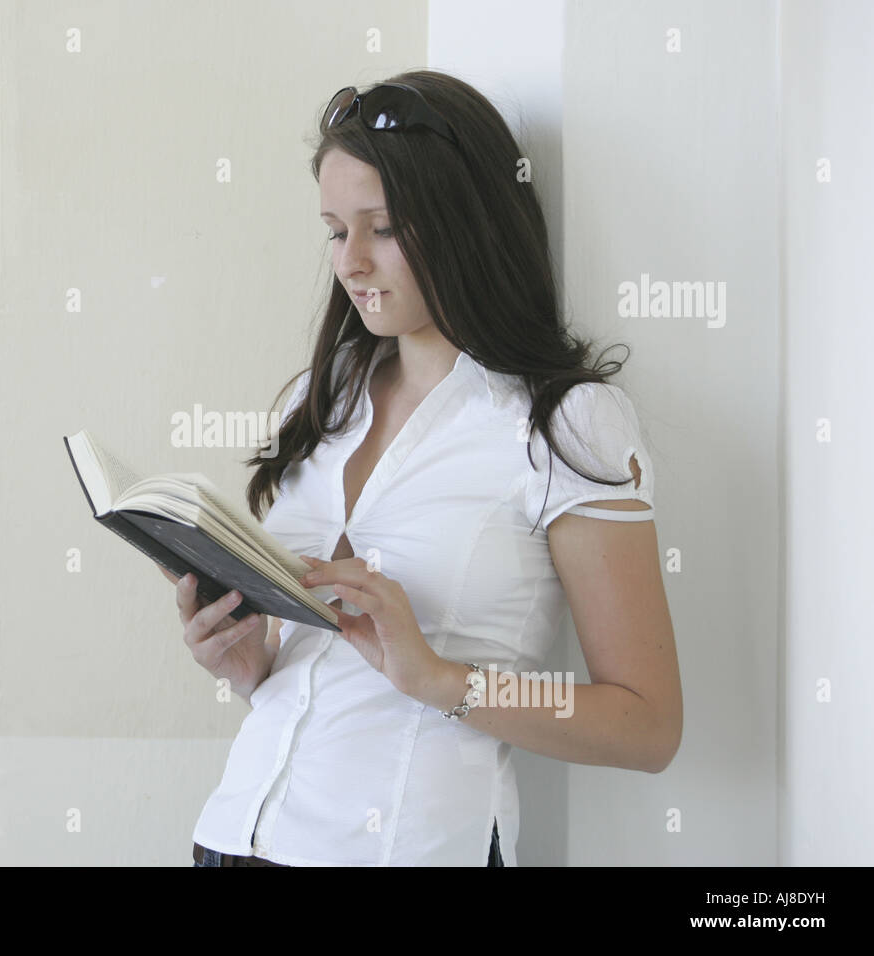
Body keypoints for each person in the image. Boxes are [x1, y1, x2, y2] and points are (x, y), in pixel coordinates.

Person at [166, 71, 683, 866]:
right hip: (234, 837)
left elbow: (647, 724)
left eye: (384, 227)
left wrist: (444, 680)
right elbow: (321, 672)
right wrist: (251, 668)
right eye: (336, 230)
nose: (352, 262)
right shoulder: (323, 395)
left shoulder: (564, 422)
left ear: (465, 224)